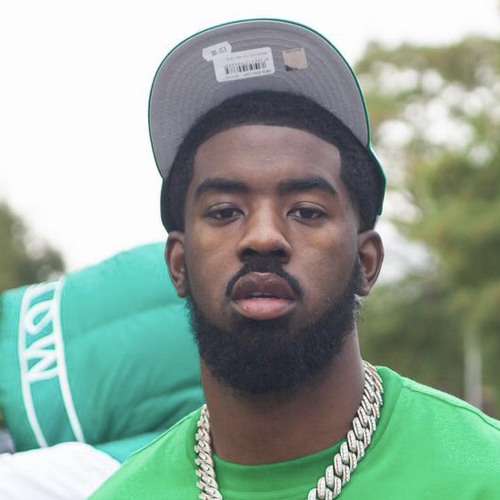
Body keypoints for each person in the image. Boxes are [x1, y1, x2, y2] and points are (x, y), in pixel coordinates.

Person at [92, 19, 500, 499]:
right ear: (178, 264)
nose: (263, 238)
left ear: (366, 261)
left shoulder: (482, 473)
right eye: (225, 211)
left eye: (306, 211)